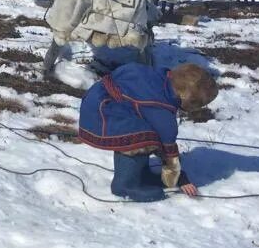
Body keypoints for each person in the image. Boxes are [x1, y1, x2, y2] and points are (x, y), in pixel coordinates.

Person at [77, 62, 218, 202]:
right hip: (102, 114)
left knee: (144, 128)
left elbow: (128, 69)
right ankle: (125, 185)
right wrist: (178, 177)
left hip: (95, 100)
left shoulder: (159, 77)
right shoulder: (162, 112)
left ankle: (140, 174)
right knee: (138, 135)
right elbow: (167, 150)